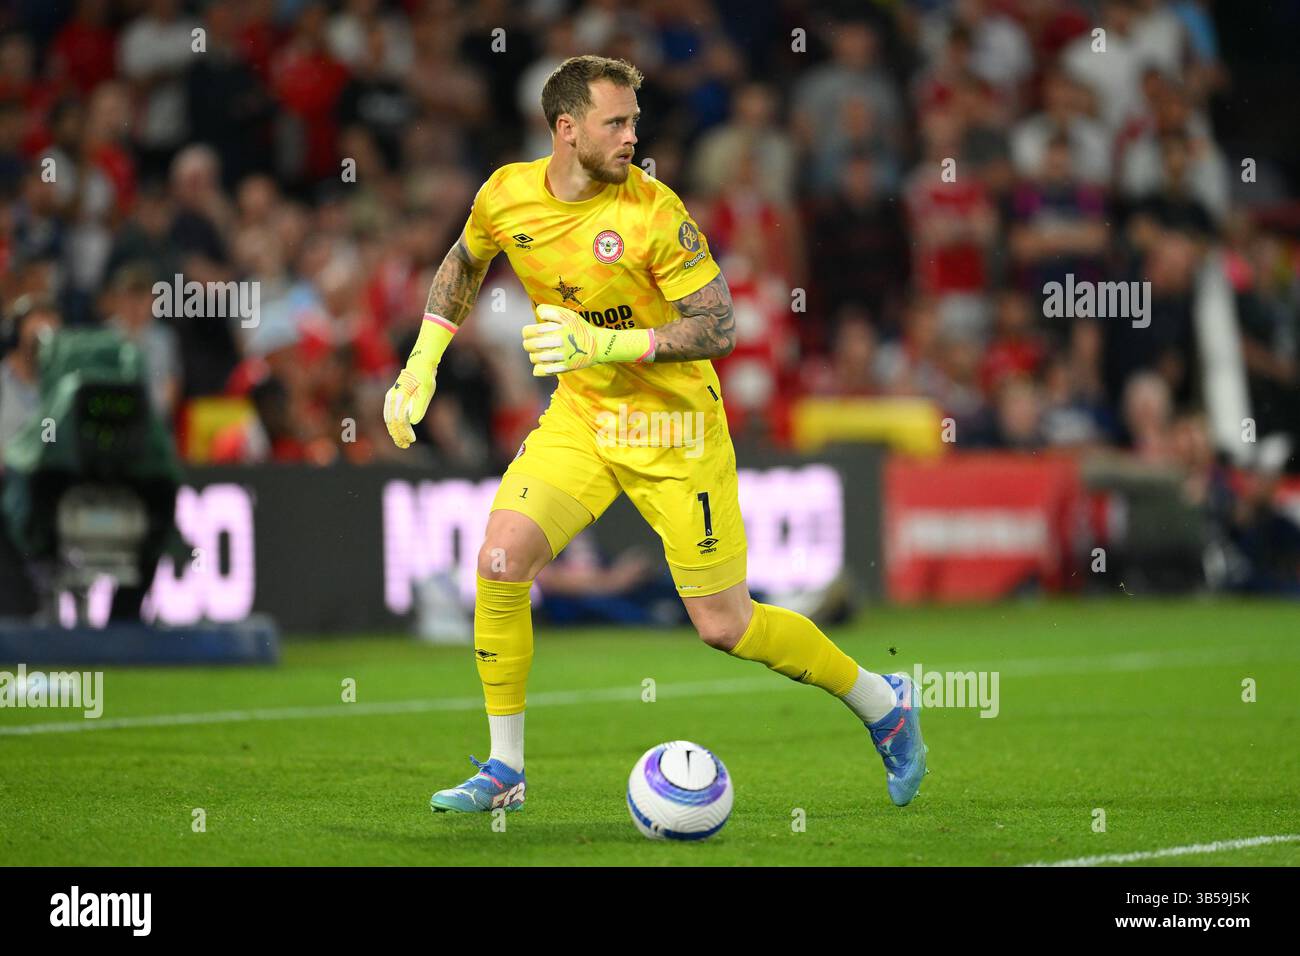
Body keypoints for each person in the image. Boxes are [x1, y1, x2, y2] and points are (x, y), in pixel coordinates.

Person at [382, 56, 927, 814]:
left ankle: (882, 702)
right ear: (566, 130)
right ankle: (506, 770)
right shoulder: (506, 195)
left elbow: (720, 324)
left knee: (724, 624)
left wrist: (603, 345)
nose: (633, 135)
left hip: (675, 427)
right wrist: (422, 362)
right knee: (501, 561)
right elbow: (465, 259)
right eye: (617, 122)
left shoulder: (653, 211)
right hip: (583, 417)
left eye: (635, 120)